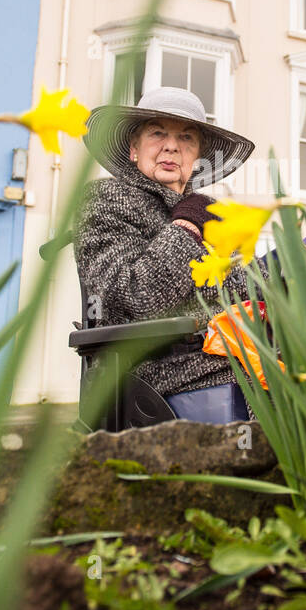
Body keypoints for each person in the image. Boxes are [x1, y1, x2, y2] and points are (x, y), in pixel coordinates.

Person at [74, 87, 266, 423]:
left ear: (197, 157)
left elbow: (252, 289)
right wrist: (186, 226)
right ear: (134, 149)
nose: (172, 146)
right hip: (158, 369)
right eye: (157, 133)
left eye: (187, 138)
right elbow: (135, 298)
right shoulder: (105, 200)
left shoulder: (212, 214)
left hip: (238, 356)